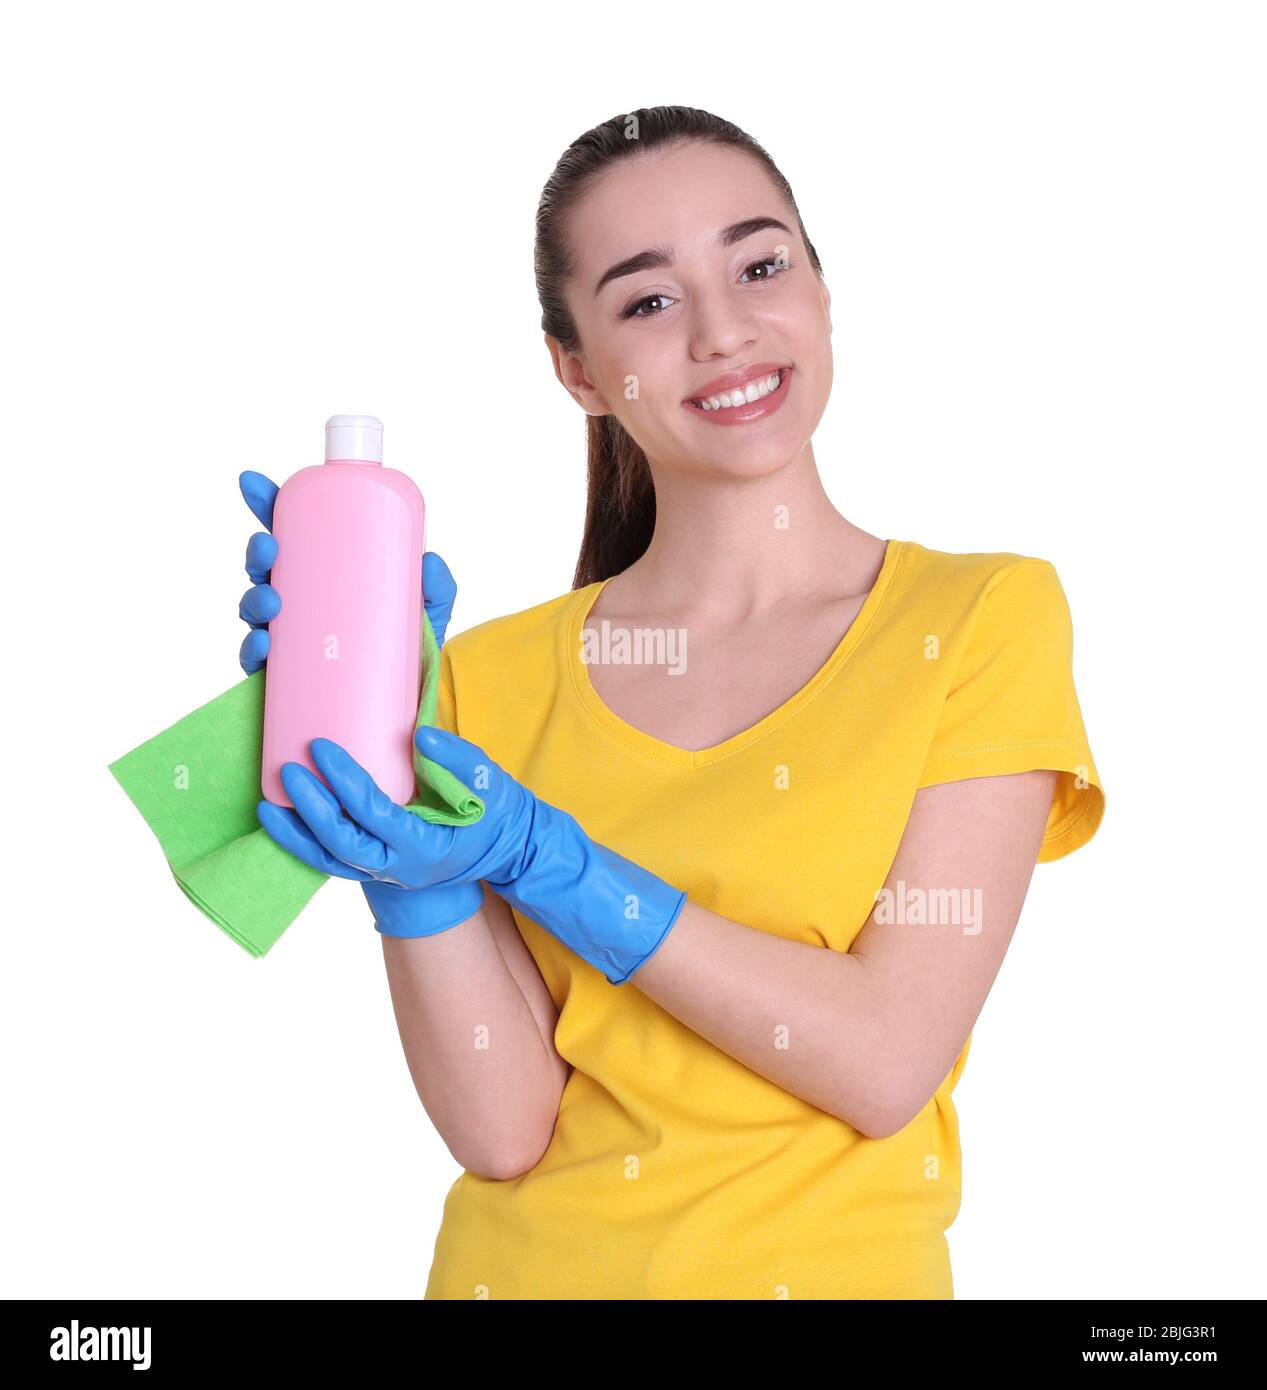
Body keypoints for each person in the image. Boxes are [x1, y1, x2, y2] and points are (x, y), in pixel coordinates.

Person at [239, 106, 1105, 1300]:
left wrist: (562, 866)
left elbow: (882, 1056)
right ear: (579, 371)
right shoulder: (481, 680)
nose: (723, 330)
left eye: (759, 265)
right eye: (648, 300)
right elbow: (503, 1134)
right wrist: (411, 867)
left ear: (821, 290)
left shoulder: (976, 620)